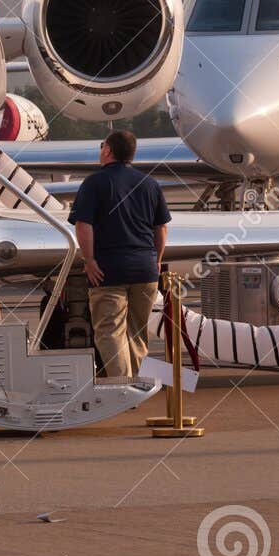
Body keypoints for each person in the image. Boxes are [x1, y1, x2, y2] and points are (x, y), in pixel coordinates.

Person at [67, 129, 171, 380]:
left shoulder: (94, 183)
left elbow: (83, 224)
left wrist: (89, 260)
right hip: (145, 270)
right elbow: (162, 228)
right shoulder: (150, 184)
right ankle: (137, 386)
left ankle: (124, 388)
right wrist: (156, 260)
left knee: (109, 331)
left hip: (109, 270)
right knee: (136, 333)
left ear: (108, 151)